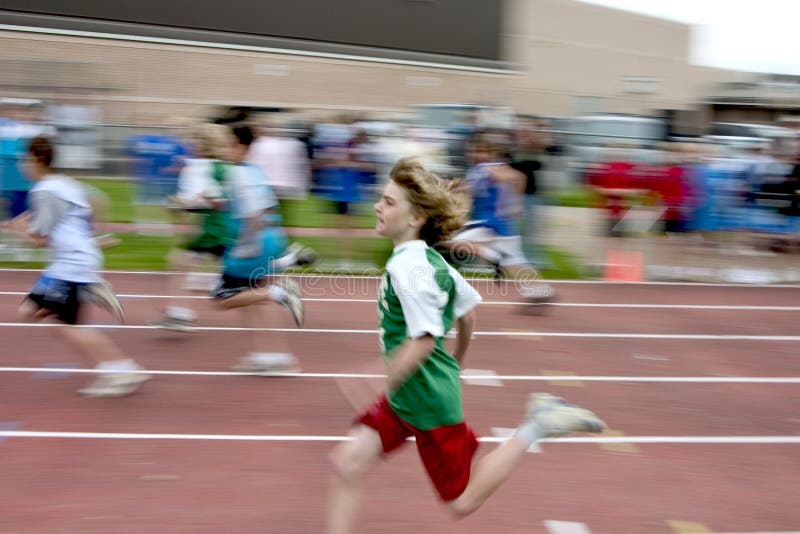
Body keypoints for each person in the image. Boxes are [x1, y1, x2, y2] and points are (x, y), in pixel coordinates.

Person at [327, 158, 606, 533]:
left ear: (415, 219)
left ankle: (537, 426)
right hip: (405, 396)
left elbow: (424, 339)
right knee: (348, 462)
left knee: (461, 501)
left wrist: (381, 373)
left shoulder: (409, 267)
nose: (378, 206)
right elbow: (469, 313)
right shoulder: (429, 259)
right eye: (381, 198)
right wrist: (457, 358)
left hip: (427, 402)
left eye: (389, 202)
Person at [10, 135, 150, 397]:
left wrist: (17, 230)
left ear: (38, 160)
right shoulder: (64, 183)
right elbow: (92, 205)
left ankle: (122, 368)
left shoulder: (43, 191)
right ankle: (91, 290)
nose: (21, 165)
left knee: (69, 325)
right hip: (69, 262)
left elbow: (40, 240)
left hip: (70, 265)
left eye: (24, 159)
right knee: (28, 311)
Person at [210, 124, 306, 373]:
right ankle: (272, 357)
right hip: (272, 238)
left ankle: (280, 294)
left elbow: (254, 214)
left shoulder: (235, 174)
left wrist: (244, 249)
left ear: (240, 147)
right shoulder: (255, 171)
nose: (224, 150)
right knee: (252, 300)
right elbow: (265, 207)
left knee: (222, 298)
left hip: (252, 244)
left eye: (227, 145)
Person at [443, 132, 555, 312]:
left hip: (488, 222)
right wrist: (455, 187)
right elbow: (475, 188)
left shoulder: (490, 167)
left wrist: (515, 203)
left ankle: (491, 255)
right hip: (502, 225)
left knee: (449, 240)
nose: (475, 155)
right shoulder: (478, 170)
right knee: (514, 264)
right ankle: (542, 291)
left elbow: (516, 178)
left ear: (492, 153)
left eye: (481, 151)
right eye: (472, 151)